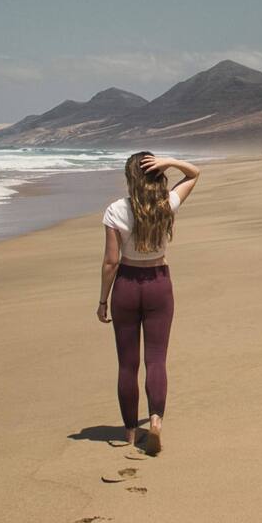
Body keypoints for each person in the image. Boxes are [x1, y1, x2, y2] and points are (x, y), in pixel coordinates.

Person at [97, 151, 200, 454]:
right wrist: (170, 161)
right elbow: (194, 173)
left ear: (130, 179)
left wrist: (103, 300)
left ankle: (129, 432)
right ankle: (155, 420)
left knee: (127, 364)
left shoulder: (116, 210)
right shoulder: (166, 204)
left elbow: (110, 262)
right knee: (156, 359)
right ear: (157, 175)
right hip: (158, 283)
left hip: (127, 286)